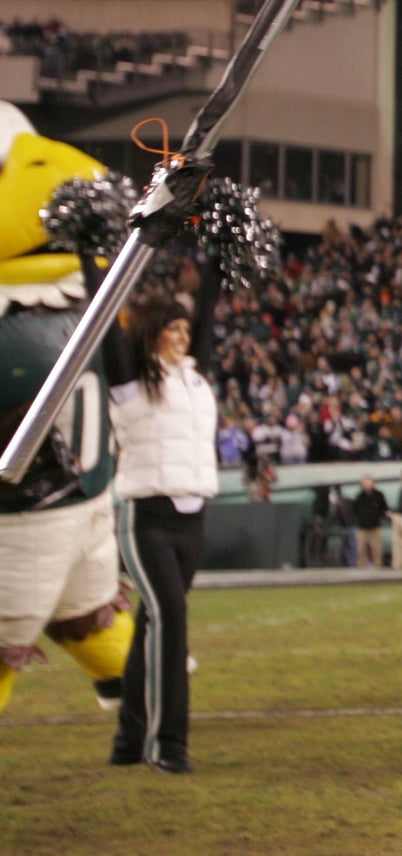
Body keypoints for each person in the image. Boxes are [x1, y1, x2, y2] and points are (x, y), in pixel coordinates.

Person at [0, 114, 134, 719]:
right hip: (63, 504)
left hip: (51, 506)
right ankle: (134, 678)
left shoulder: (64, 311)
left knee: (78, 612)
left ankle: (130, 677)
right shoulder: (85, 309)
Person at [109, 267, 224, 774]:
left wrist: (220, 255)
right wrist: (95, 260)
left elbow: (209, 314)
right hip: (147, 517)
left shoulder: (195, 376)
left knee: (150, 627)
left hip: (193, 520)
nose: (182, 336)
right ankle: (168, 744)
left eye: (185, 329)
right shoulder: (130, 383)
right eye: (171, 328)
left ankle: (128, 742)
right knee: (171, 619)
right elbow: (104, 321)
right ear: (151, 332)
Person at [349, 475, 390, 569]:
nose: (366, 485)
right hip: (362, 527)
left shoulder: (379, 495)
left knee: (376, 550)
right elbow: (354, 510)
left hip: (375, 526)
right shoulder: (359, 496)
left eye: (368, 483)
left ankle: (377, 568)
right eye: (365, 484)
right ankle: (361, 568)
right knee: (361, 550)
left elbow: (384, 509)